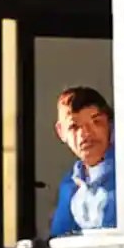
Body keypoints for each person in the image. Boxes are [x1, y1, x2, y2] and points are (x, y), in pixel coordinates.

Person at [49, 86, 116, 238]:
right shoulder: (70, 184)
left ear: (110, 125)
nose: (86, 134)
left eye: (96, 122)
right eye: (74, 126)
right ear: (61, 132)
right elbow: (59, 242)